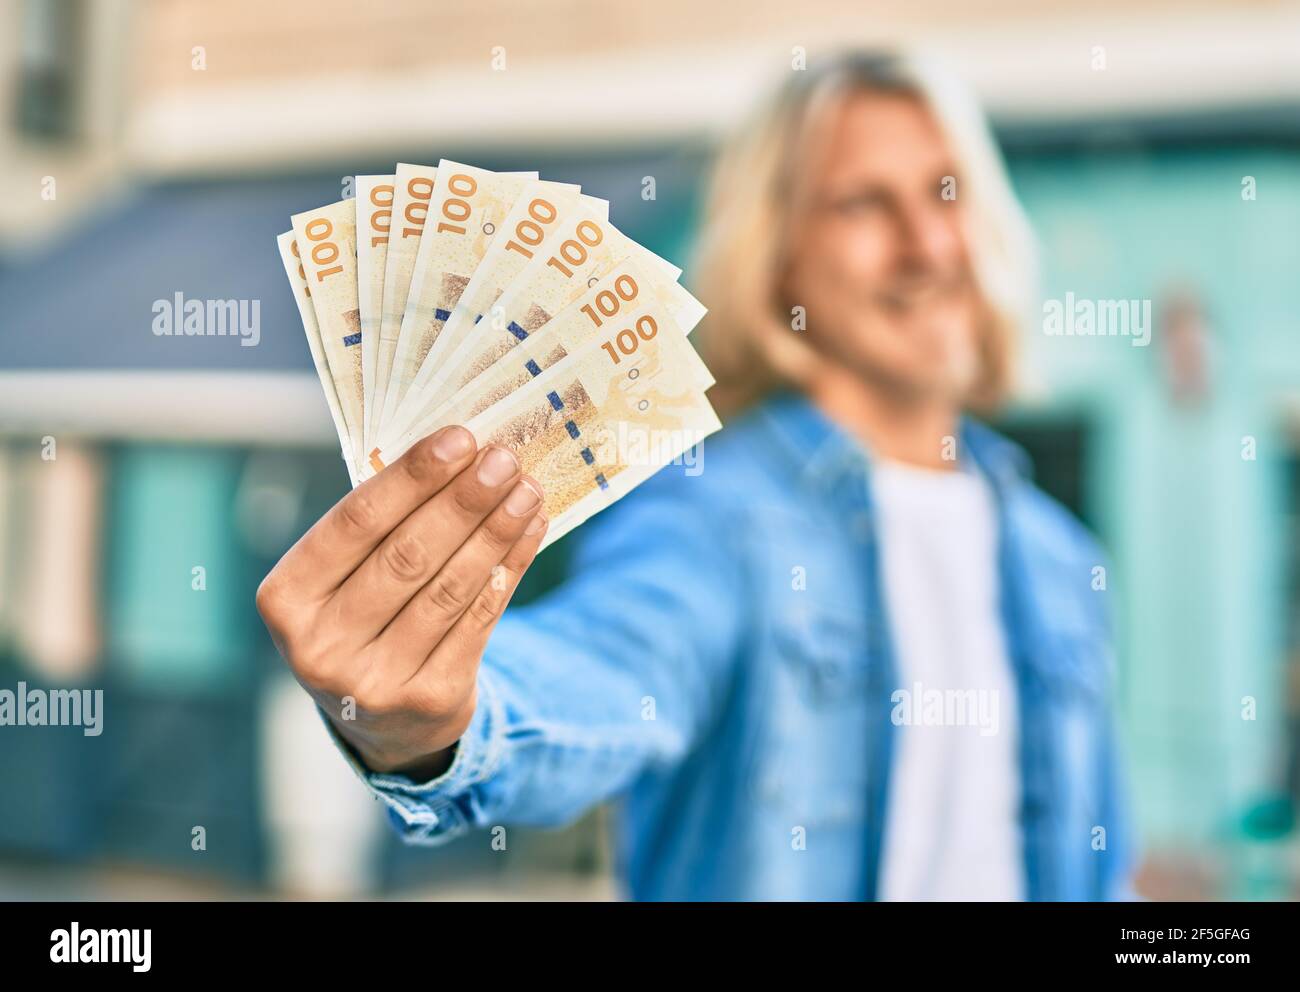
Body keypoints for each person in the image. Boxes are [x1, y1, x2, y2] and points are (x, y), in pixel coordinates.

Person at [256, 51, 1133, 901]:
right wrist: (449, 725)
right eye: (866, 204)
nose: (925, 244)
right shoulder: (716, 515)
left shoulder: (1059, 556)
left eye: (948, 192)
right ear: (781, 256)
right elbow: (606, 669)